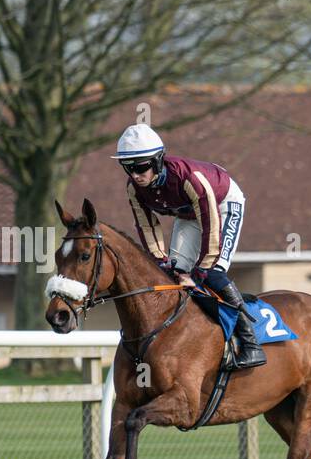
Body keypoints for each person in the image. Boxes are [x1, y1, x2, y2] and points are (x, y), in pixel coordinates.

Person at [111, 123, 265, 367]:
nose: (135, 175)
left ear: (158, 160)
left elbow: (211, 225)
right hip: (189, 215)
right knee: (172, 275)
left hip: (223, 206)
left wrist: (200, 271)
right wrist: (161, 261)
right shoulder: (134, 189)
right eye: (127, 168)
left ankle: (251, 343)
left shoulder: (188, 178)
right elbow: (147, 227)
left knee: (212, 274)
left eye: (140, 167)